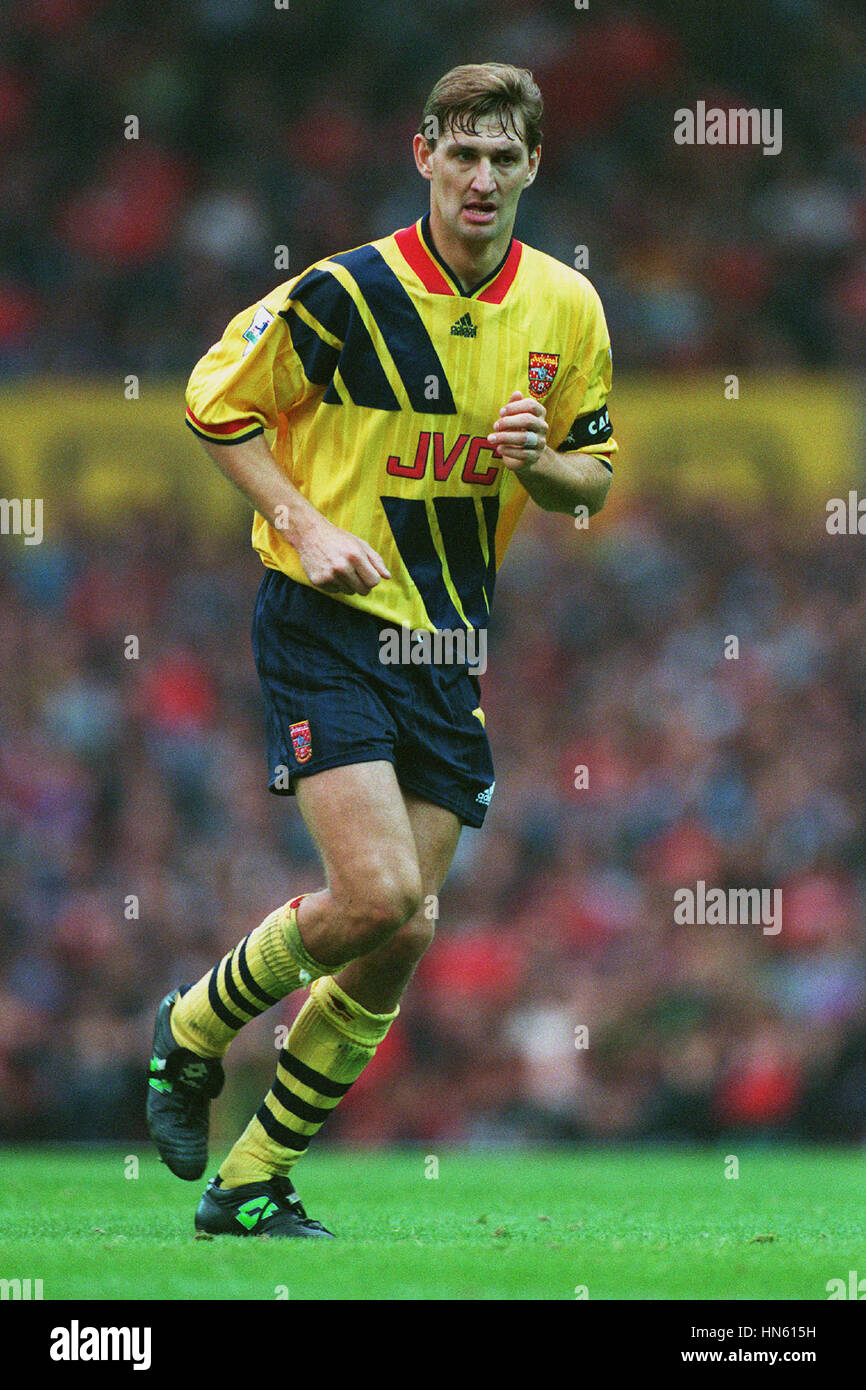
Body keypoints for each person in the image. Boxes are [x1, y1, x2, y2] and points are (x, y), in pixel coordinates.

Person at [147, 61, 617, 1237]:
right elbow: (213, 401)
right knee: (378, 891)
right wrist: (301, 523)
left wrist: (538, 465)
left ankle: (251, 1177)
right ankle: (192, 1027)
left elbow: (591, 478)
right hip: (326, 624)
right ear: (422, 155)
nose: (480, 177)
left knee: (401, 930)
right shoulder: (343, 294)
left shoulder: (566, 308)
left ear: (531, 167)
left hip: (446, 644)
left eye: (503, 157)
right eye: (460, 152)